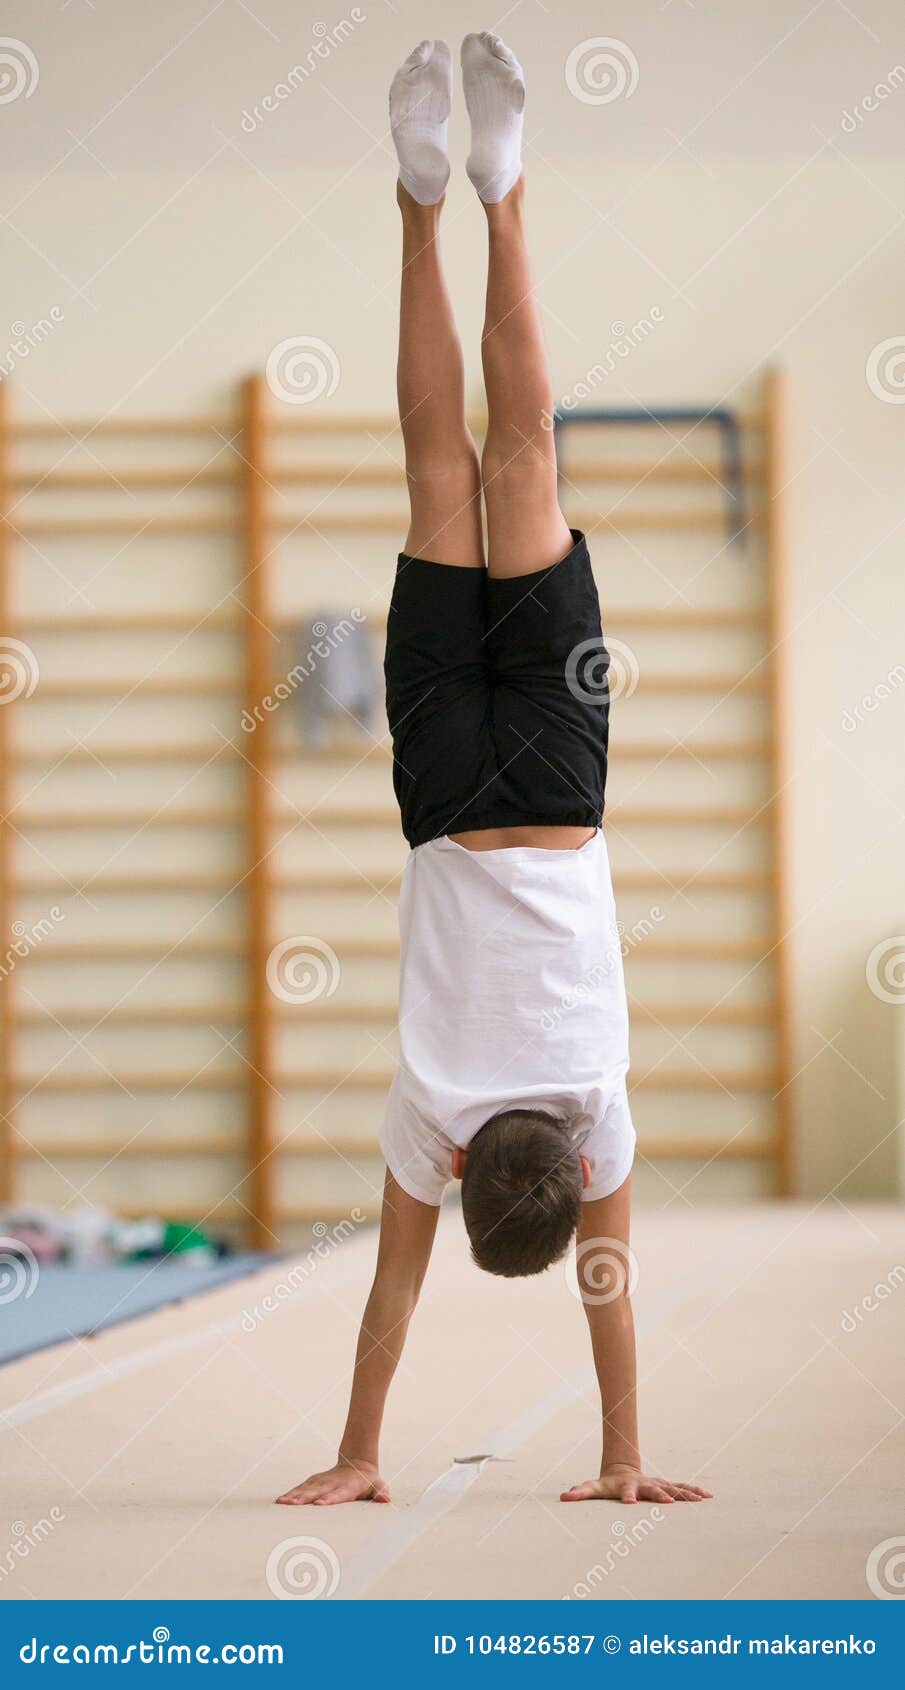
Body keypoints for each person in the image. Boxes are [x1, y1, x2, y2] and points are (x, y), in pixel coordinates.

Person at [277, 35, 711, 1510]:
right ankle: (420, 205)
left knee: (521, 456)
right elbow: (390, 1298)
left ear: (575, 1175)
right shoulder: (433, 1110)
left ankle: (504, 193)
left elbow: (610, 1293)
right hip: (449, 792)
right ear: (463, 1174)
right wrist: (356, 1450)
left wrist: (626, 1455)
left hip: (559, 780)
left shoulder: (595, 1108)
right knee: (437, 466)